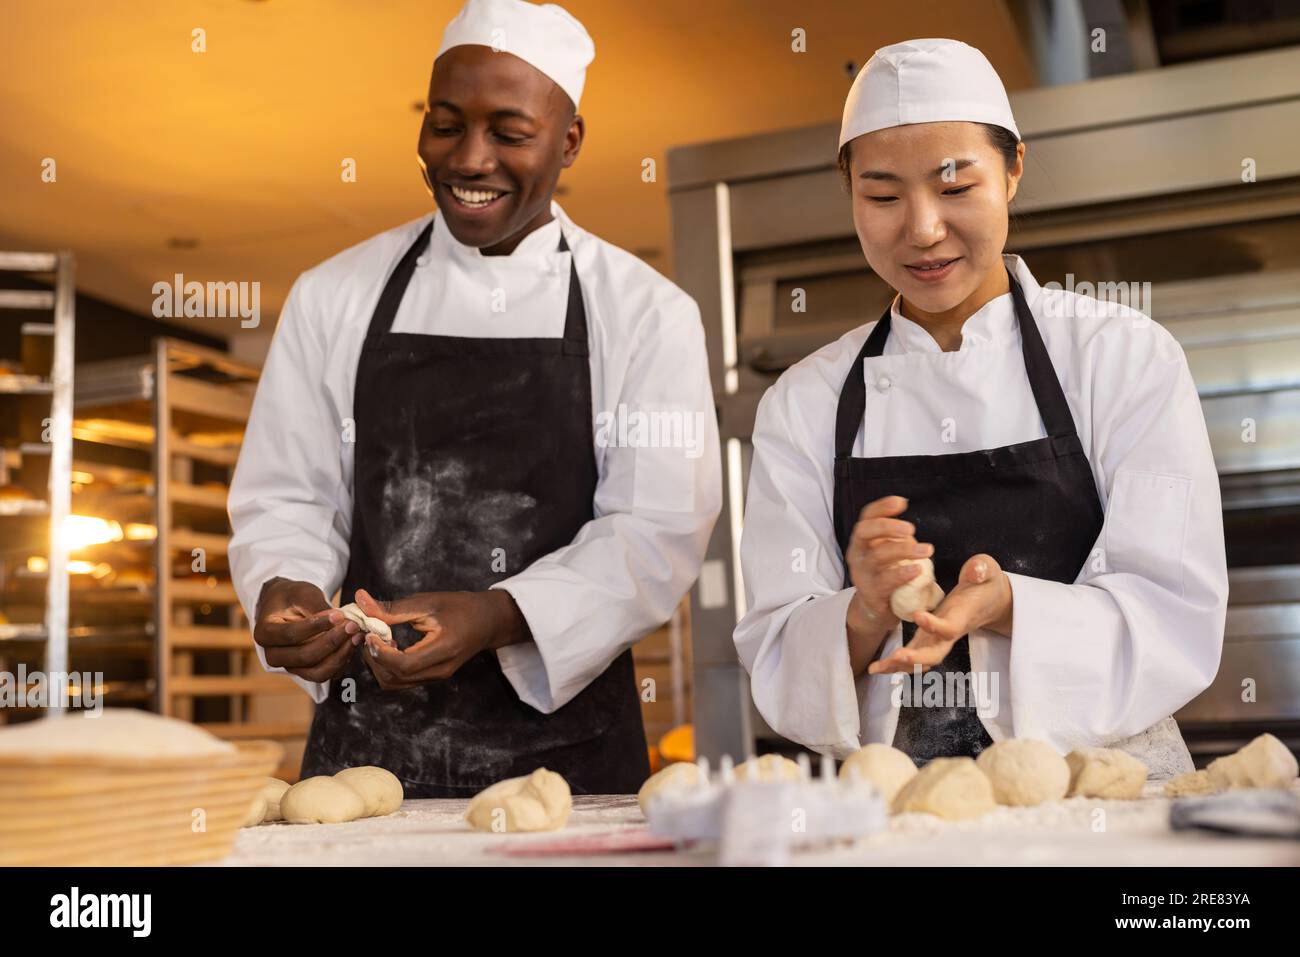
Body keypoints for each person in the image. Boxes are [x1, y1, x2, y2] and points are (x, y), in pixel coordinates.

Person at [228, 0, 721, 796]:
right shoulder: (333, 297)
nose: (469, 158)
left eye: (509, 132)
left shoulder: (645, 312)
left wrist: (497, 615)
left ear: (568, 142)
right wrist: (284, 586)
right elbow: (288, 496)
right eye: (445, 124)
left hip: (570, 765)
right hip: (365, 761)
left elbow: (654, 532)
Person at [733, 38, 1226, 777]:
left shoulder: (1123, 358)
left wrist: (1006, 604)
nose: (922, 228)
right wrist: (865, 609)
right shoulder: (806, 401)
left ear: (1014, 169)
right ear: (851, 194)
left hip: (1113, 794)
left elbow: (1174, 614)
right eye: (882, 195)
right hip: (904, 809)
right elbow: (775, 650)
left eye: (955, 186)